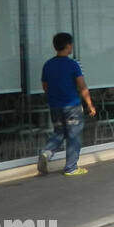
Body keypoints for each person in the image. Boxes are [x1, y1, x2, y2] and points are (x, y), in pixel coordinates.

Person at [37, 31, 97, 177]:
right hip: (72, 106)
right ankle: (71, 167)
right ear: (68, 45)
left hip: (55, 106)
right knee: (73, 135)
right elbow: (82, 86)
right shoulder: (72, 64)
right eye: (71, 44)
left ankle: (46, 153)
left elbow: (45, 86)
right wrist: (90, 105)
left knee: (59, 132)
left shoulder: (48, 65)